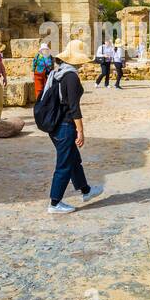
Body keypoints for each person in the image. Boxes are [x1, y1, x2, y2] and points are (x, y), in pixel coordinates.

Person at [43, 38, 104, 214]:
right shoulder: (70, 76)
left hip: (55, 125)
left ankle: (86, 190)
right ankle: (55, 203)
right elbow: (73, 107)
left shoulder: (58, 73)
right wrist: (80, 130)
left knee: (73, 159)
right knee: (64, 164)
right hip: (65, 126)